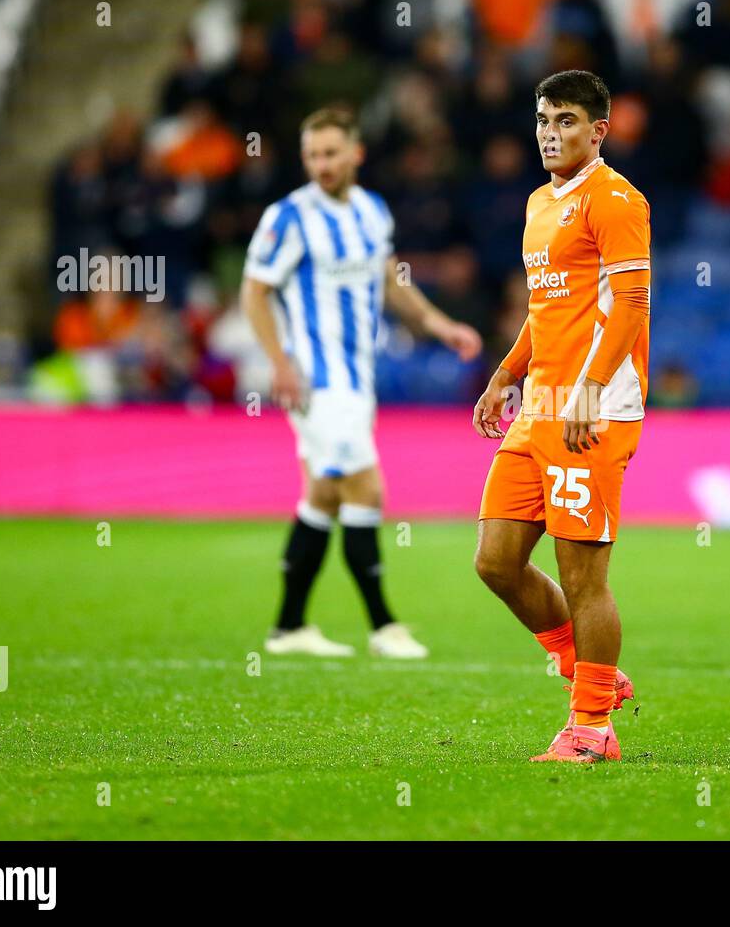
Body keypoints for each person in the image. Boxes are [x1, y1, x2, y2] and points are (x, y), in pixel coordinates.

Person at [241, 106, 482, 659]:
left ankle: (289, 627)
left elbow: (391, 279)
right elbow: (254, 292)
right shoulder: (289, 216)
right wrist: (279, 362)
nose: (321, 165)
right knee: (366, 488)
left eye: (330, 153)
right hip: (316, 379)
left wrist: (438, 324)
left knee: (323, 496)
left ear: (356, 154)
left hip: (357, 376)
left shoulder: (372, 211)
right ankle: (383, 625)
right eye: (312, 156)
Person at [472, 70, 650, 762]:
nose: (551, 133)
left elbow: (631, 306)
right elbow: (546, 309)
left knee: (583, 578)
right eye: (544, 119)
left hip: (594, 408)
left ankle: (592, 729)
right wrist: (506, 372)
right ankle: (589, 670)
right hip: (540, 402)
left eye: (567, 121)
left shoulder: (616, 200)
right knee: (496, 562)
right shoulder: (539, 203)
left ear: (598, 130)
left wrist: (588, 391)